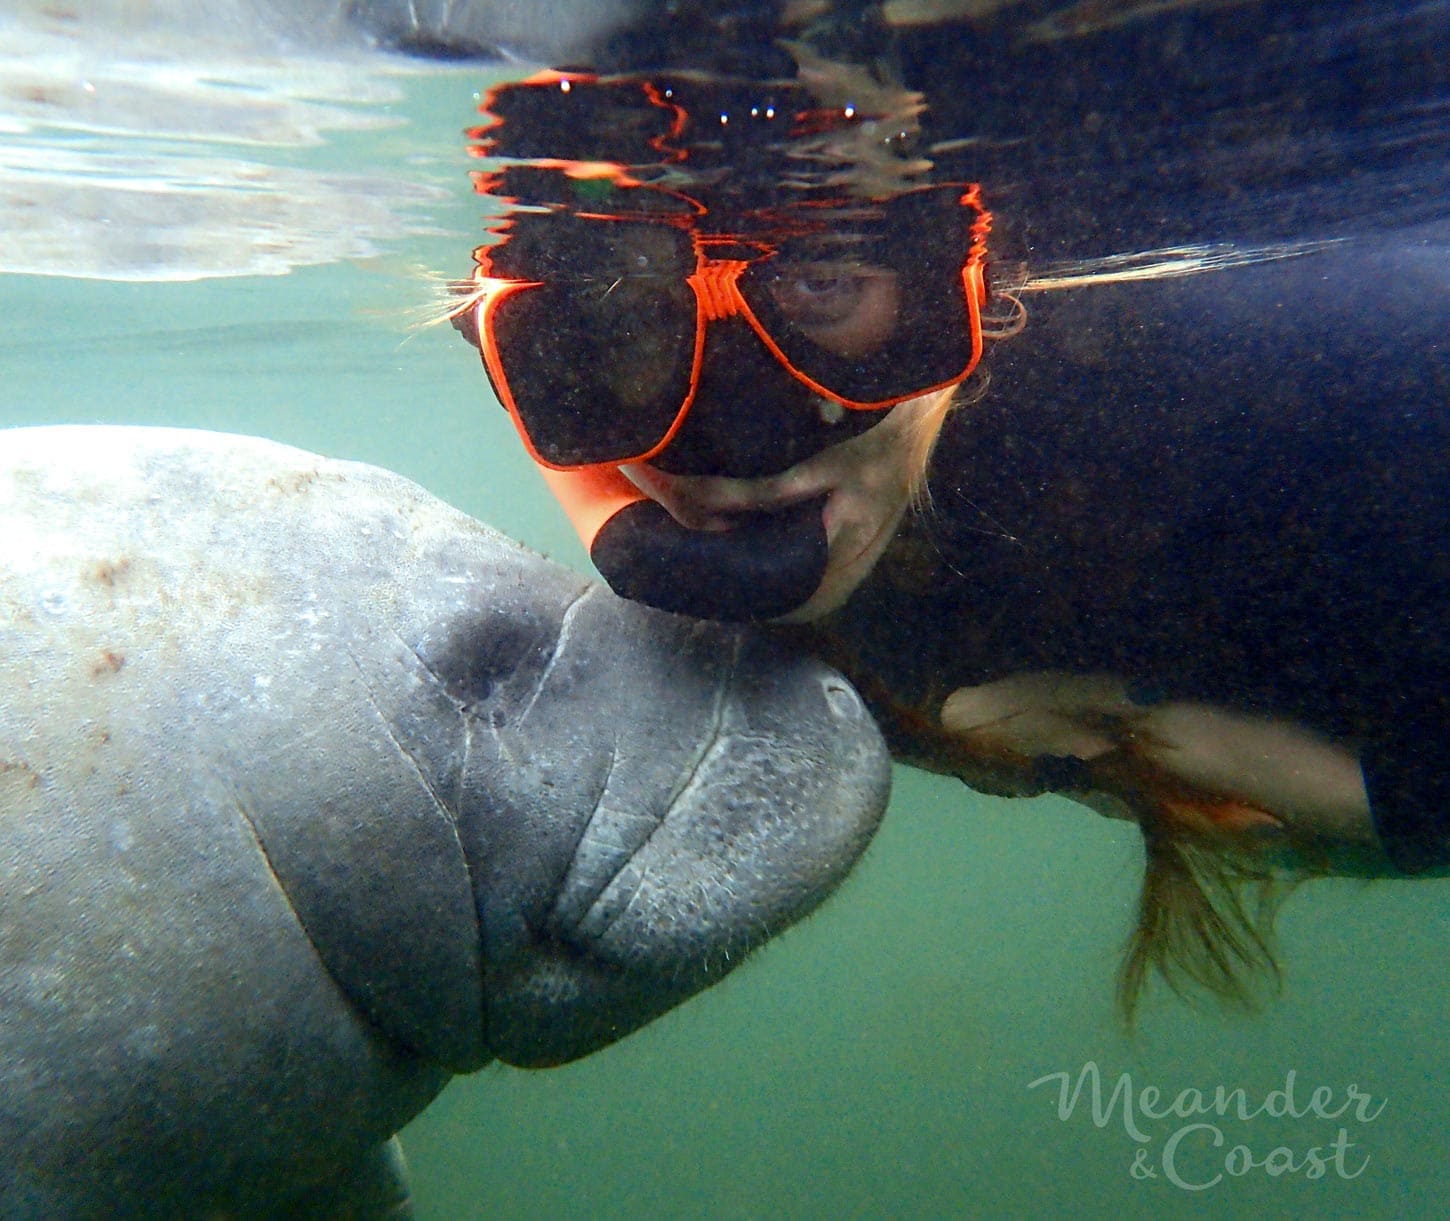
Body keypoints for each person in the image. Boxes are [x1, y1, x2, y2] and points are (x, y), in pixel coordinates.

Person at [452, 2, 1448, 1010]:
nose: (735, 457)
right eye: (620, 322)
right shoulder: (589, 398)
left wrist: (1195, 749)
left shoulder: (1304, 370)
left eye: (825, 280)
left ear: (961, 289)